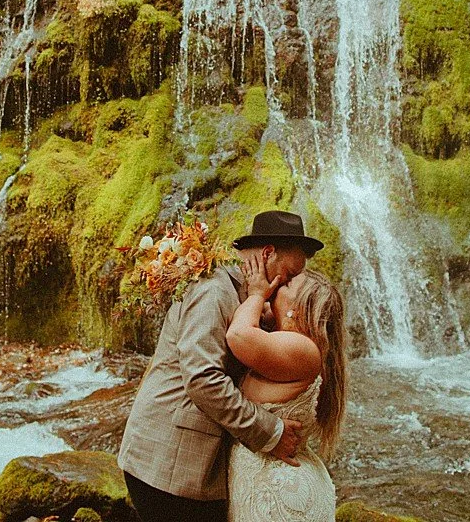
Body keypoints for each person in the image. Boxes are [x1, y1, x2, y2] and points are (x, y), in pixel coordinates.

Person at [117, 210, 324, 522]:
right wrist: (270, 431)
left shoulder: (250, 297)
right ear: (267, 254)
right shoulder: (213, 290)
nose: (290, 287)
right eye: (290, 276)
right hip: (168, 466)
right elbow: (203, 379)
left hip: (192, 467)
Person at [224, 257, 346, 522]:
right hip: (266, 482)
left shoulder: (303, 349)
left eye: (287, 284)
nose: (276, 284)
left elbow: (238, 336)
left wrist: (257, 294)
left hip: (282, 494)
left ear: (299, 309)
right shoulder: (291, 345)